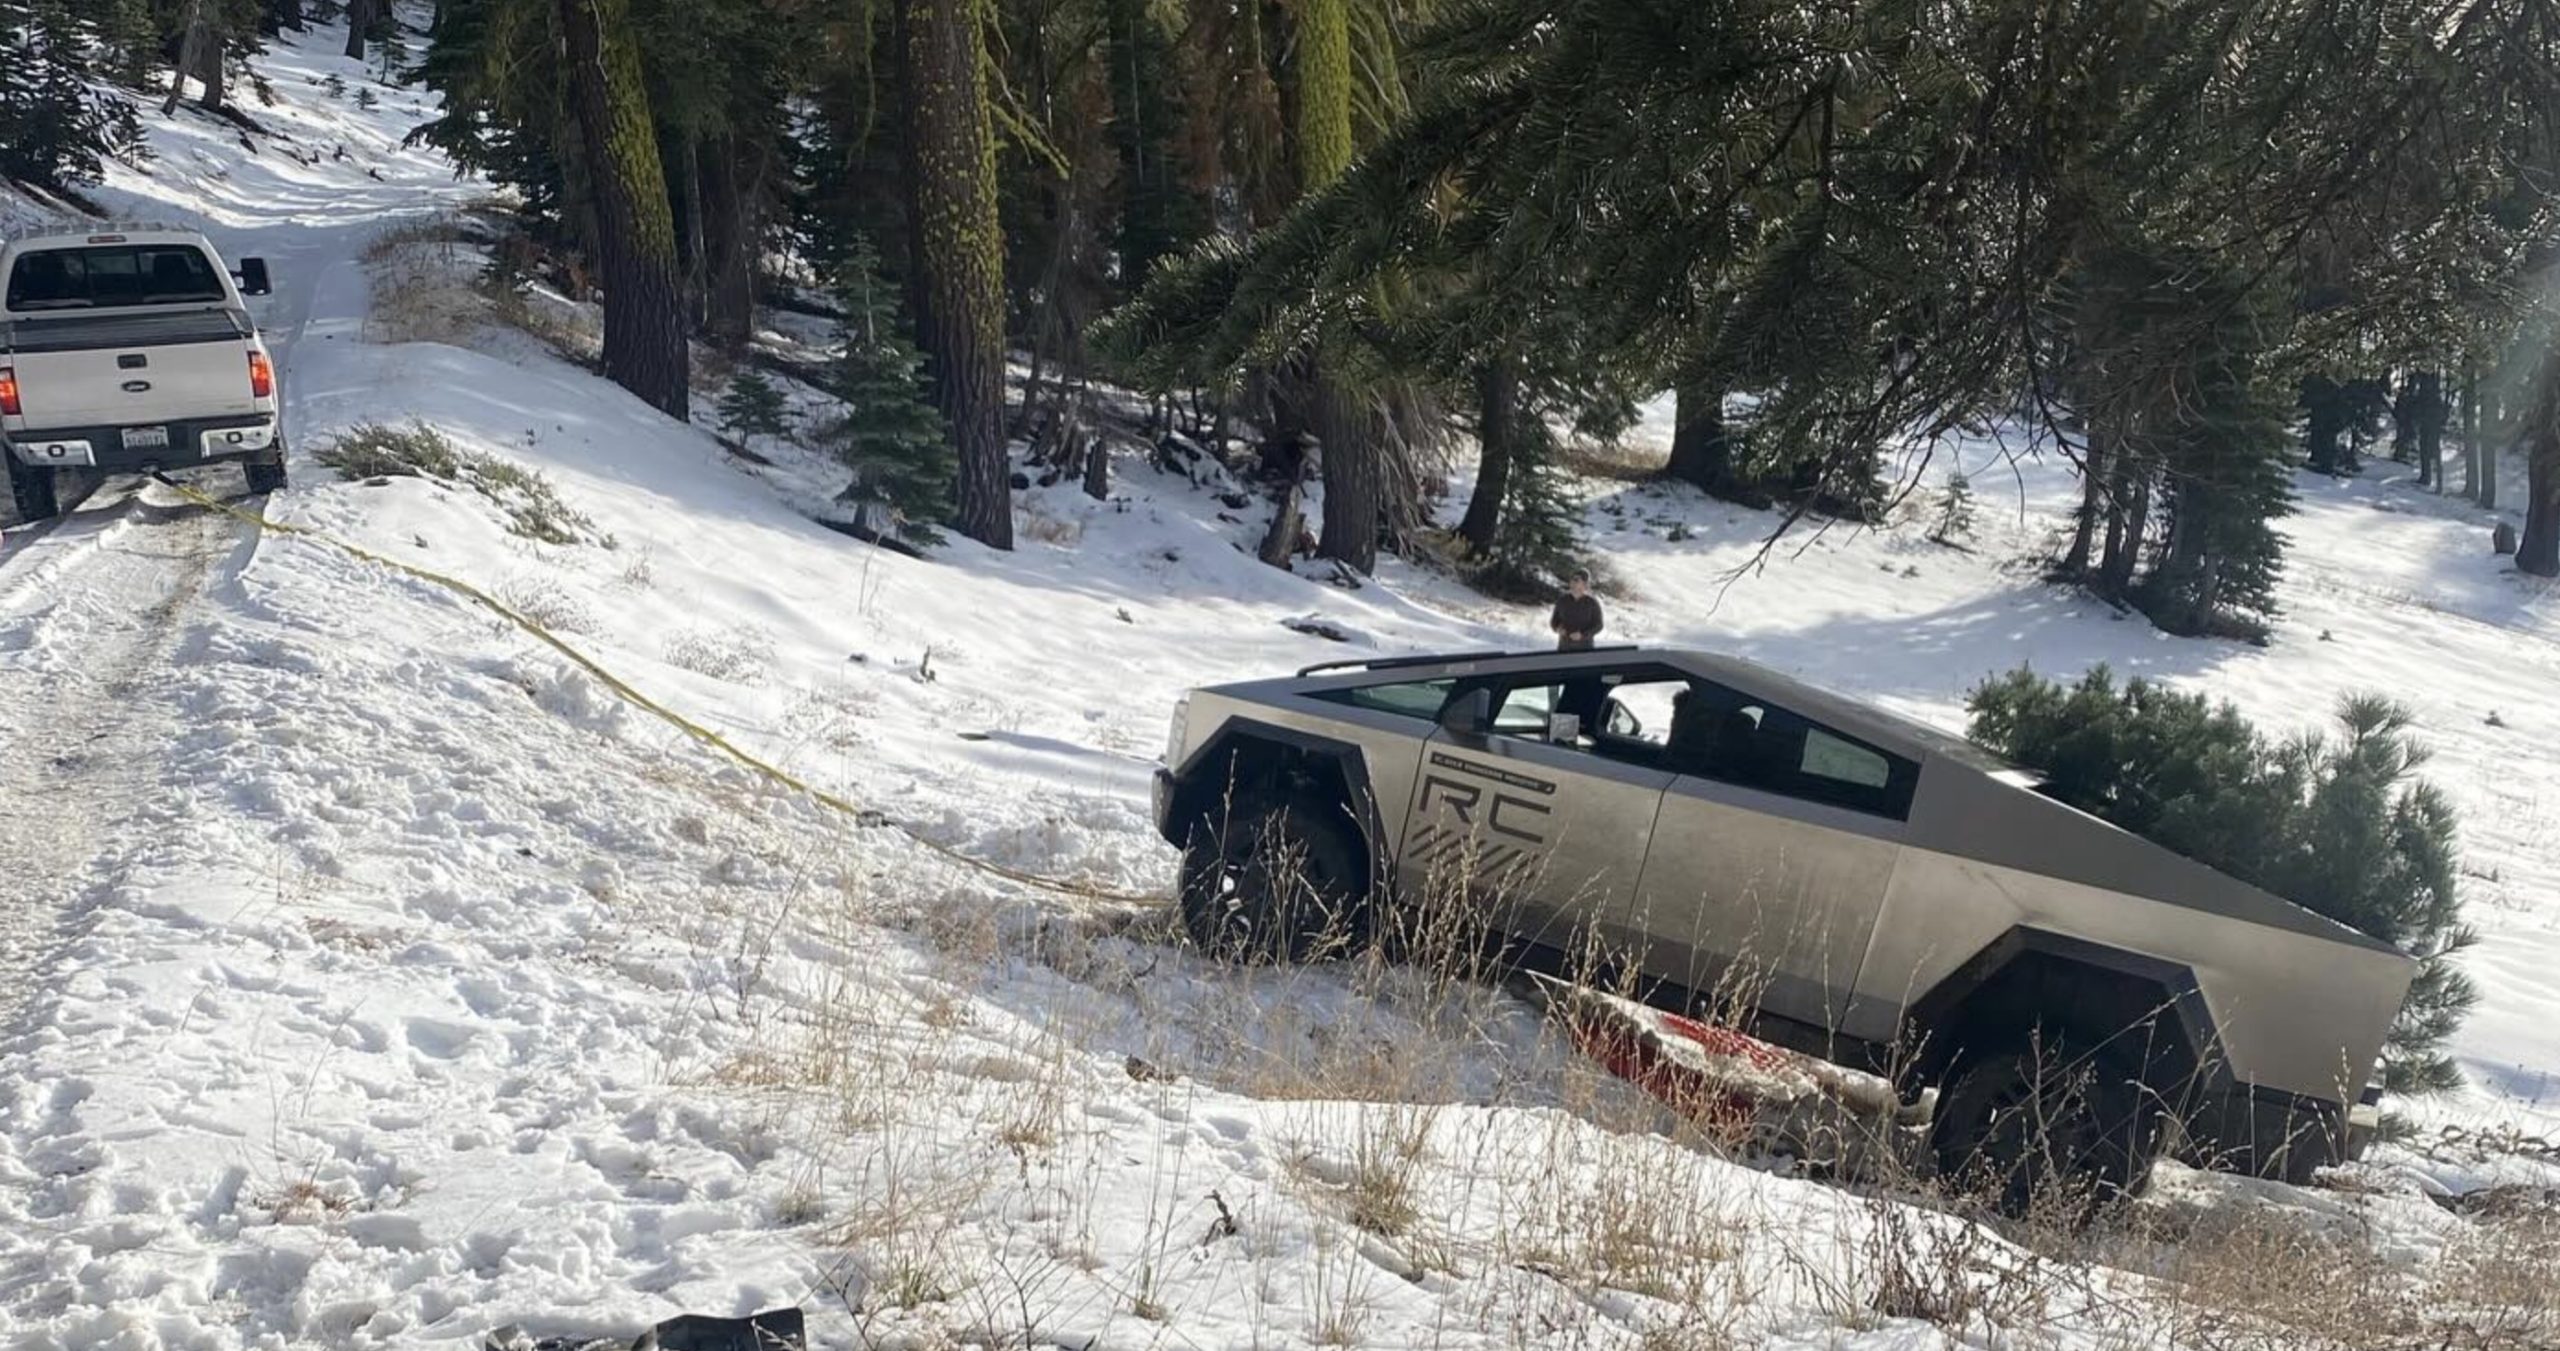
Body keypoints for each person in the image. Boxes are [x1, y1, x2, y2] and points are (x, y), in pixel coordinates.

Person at [1549, 573, 1604, 651]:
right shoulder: (1562, 601)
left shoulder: (1592, 603)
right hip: (1564, 648)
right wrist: (1558, 629)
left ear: (1584, 585)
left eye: (1577, 580)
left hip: (1585, 649)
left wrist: (1582, 635)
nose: (1573, 583)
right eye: (1571, 580)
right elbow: (1554, 621)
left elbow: (1599, 625)